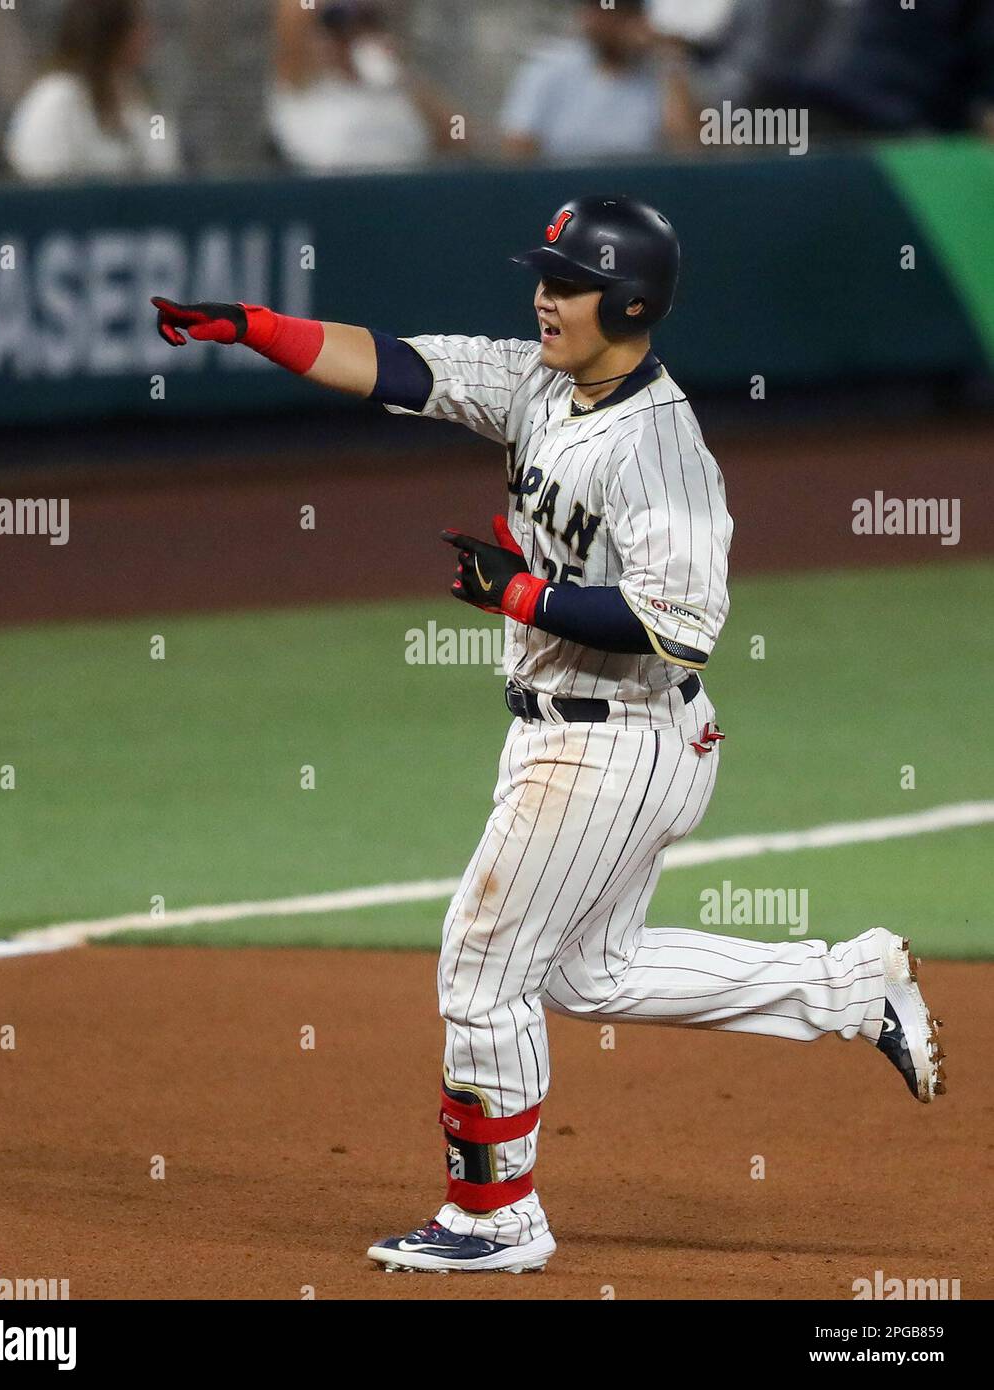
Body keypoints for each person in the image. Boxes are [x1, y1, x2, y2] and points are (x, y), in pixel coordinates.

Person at [149, 193, 946, 1275]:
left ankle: (494, 1217)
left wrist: (517, 596)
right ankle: (848, 985)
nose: (543, 295)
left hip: (618, 738)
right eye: (543, 275)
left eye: (566, 283)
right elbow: (401, 367)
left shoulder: (662, 451)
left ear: (625, 301)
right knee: (589, 975)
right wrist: (254, 327)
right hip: (571, 734)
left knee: (481, 970)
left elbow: (681, 630)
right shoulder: (542, 382)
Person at [269, 0, 458, 172]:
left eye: (367, 21)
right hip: (332, 198)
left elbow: (462, 136)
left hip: (404, 195)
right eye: (337, 25)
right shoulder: (304, 85)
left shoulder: (400, 87)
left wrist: (403, 78)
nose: (351, 32)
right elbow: (293, 17)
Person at [7, 0, 179, 180]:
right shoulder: (57, 97)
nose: (149, 34)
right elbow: (41, 185)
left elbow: (164, 172)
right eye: (138, 23)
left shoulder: (139, 100)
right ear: (110, 31)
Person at [500, 0, 692, 160]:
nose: (599, 20)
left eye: (616, 12)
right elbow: (516, 149)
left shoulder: (657, 75)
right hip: (562, 193)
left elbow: (687, 147)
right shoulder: (549, 69)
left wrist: (669, 61)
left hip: (634, 194)